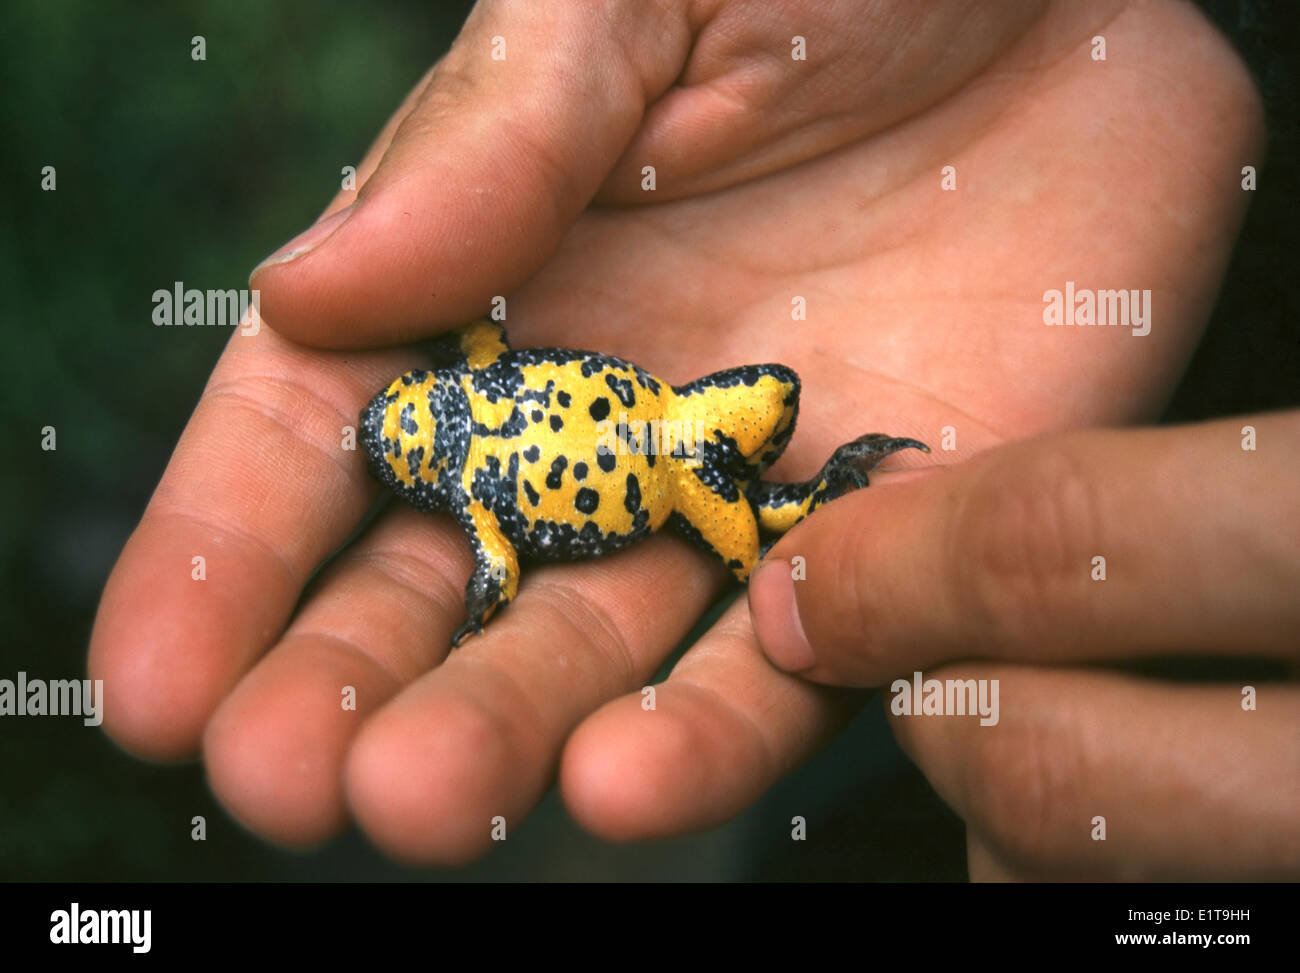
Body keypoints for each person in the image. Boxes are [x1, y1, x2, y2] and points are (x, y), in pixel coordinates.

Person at [90, 0, 1294, 876]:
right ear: (425, 431)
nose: (395, 420)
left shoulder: (471, 466)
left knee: (786, 572)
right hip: (661, 447)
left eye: (398, 418)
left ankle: (803, 511)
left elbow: (496, 556)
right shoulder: (483, 423)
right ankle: (805, 513)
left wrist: (474, 603)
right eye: (397, 426)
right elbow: (494, 483)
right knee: (793, 585)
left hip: (669, 445)